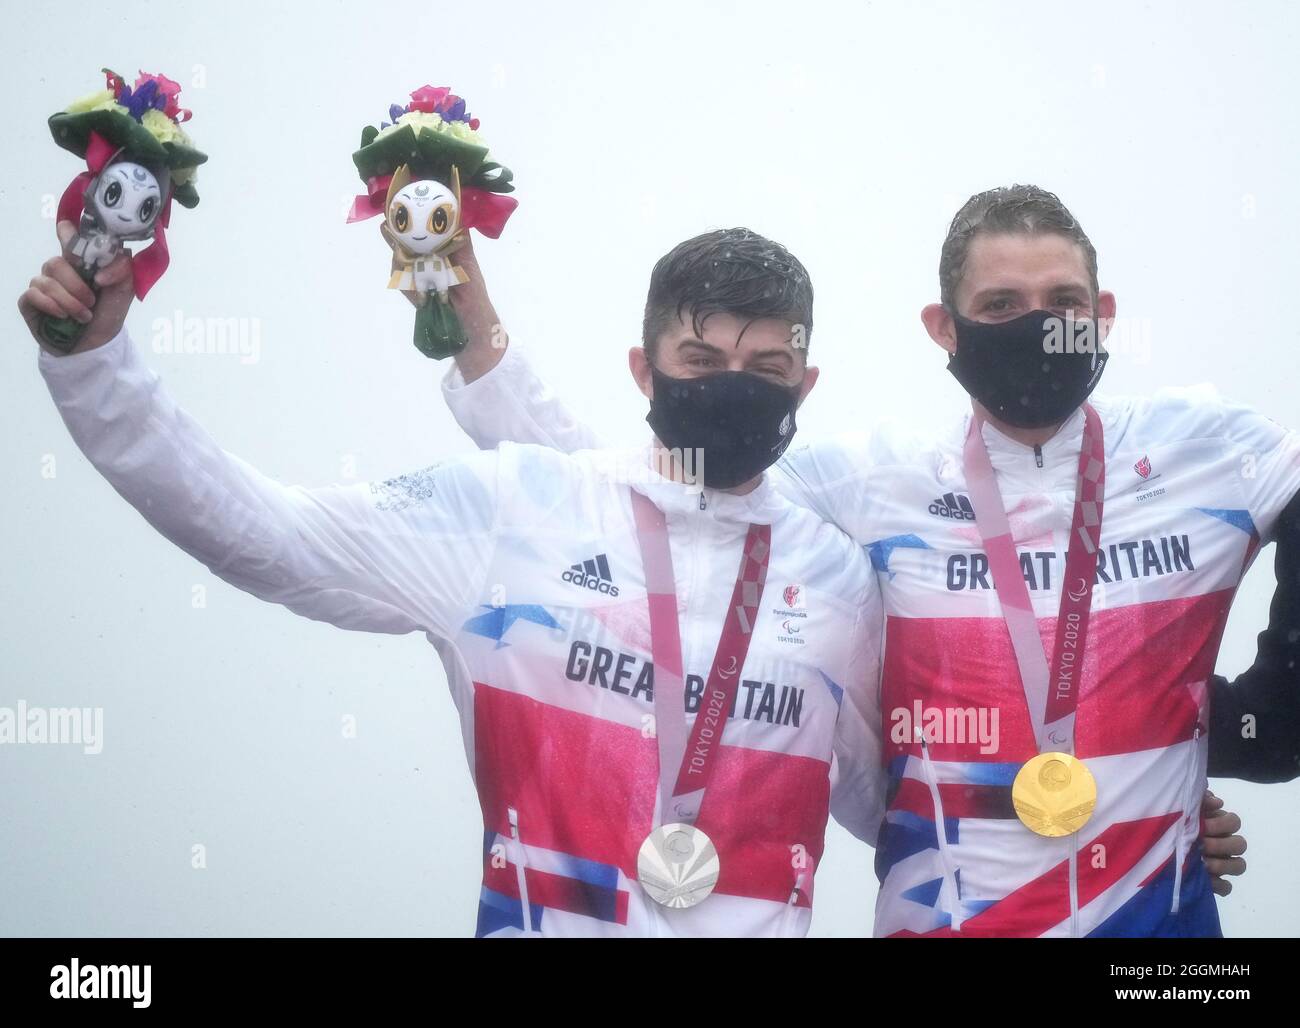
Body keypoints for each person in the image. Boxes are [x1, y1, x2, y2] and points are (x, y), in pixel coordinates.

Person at [430, 187, 1284, 937]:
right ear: (942, 329)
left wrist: (1250, 723)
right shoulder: (865, 483)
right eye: (1000, 304)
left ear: (1102, 313)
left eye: (1062, 299)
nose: (1036, 323)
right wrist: (472, 320)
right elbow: (631, 495)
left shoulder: (1207, 450)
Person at [19, 221, 886, 938]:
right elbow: (264, 535)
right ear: (642, 369)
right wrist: (99, 367)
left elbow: (901, 804)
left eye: (766, 371)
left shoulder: (837, 580)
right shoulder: (519, 507)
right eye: (700, 360)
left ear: (804, 385)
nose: (733, 389)